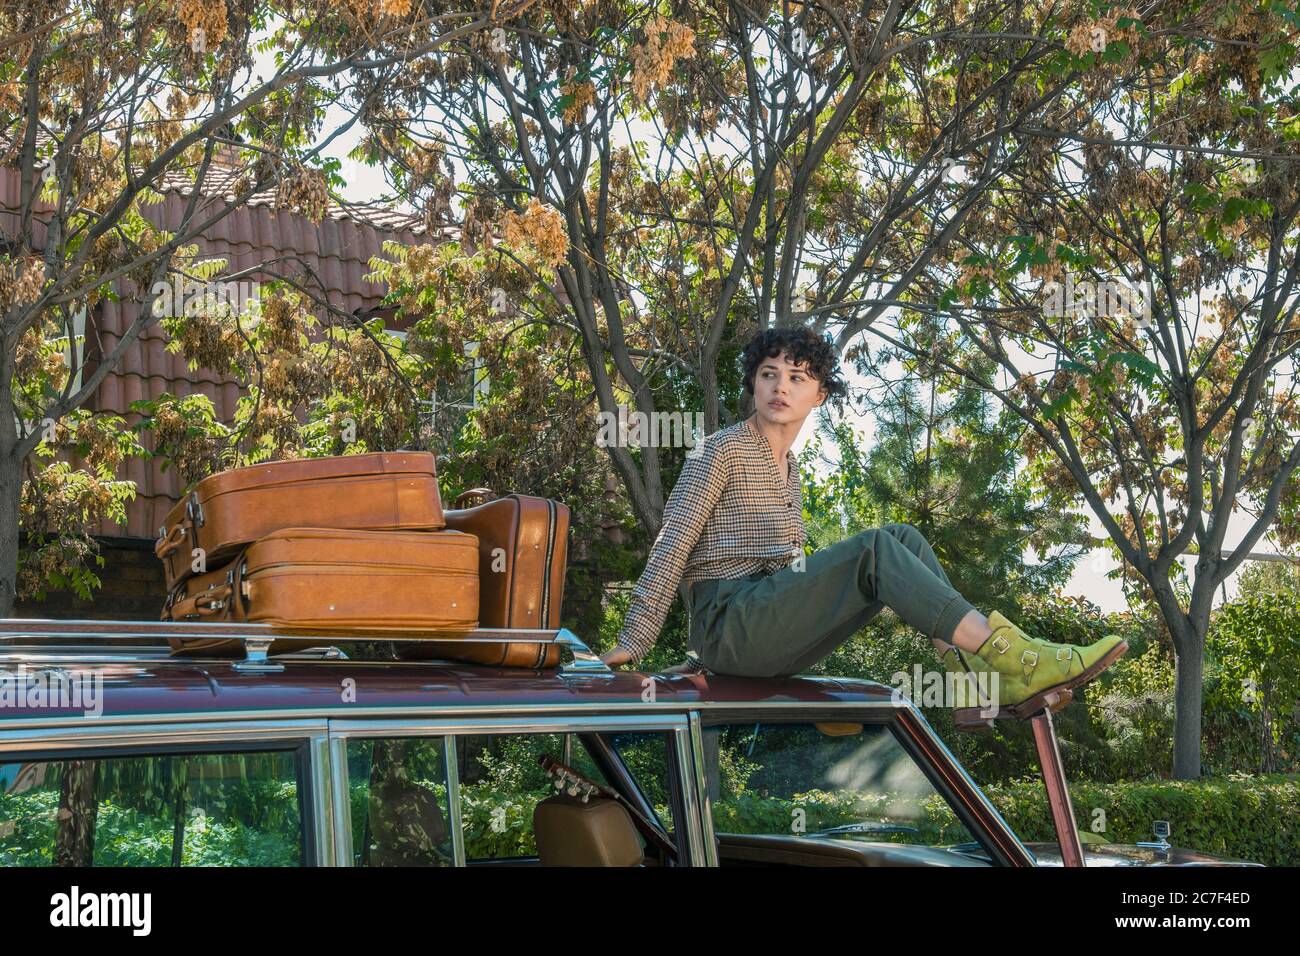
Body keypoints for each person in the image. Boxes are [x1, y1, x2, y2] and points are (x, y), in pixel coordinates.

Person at [598, 325, 1126, 727]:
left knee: (903, 540)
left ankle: (966, 681)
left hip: (765, 623)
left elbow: (793, 575)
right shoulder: (721, 451)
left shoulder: (791, 471)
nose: (781, 386)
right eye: (769, 374)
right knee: (876, 549)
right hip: (727, 624)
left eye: (797, 377)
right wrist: (634, 639)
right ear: (753, 384)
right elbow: (672, 543)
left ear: (819, 395)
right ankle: (1012, 657)